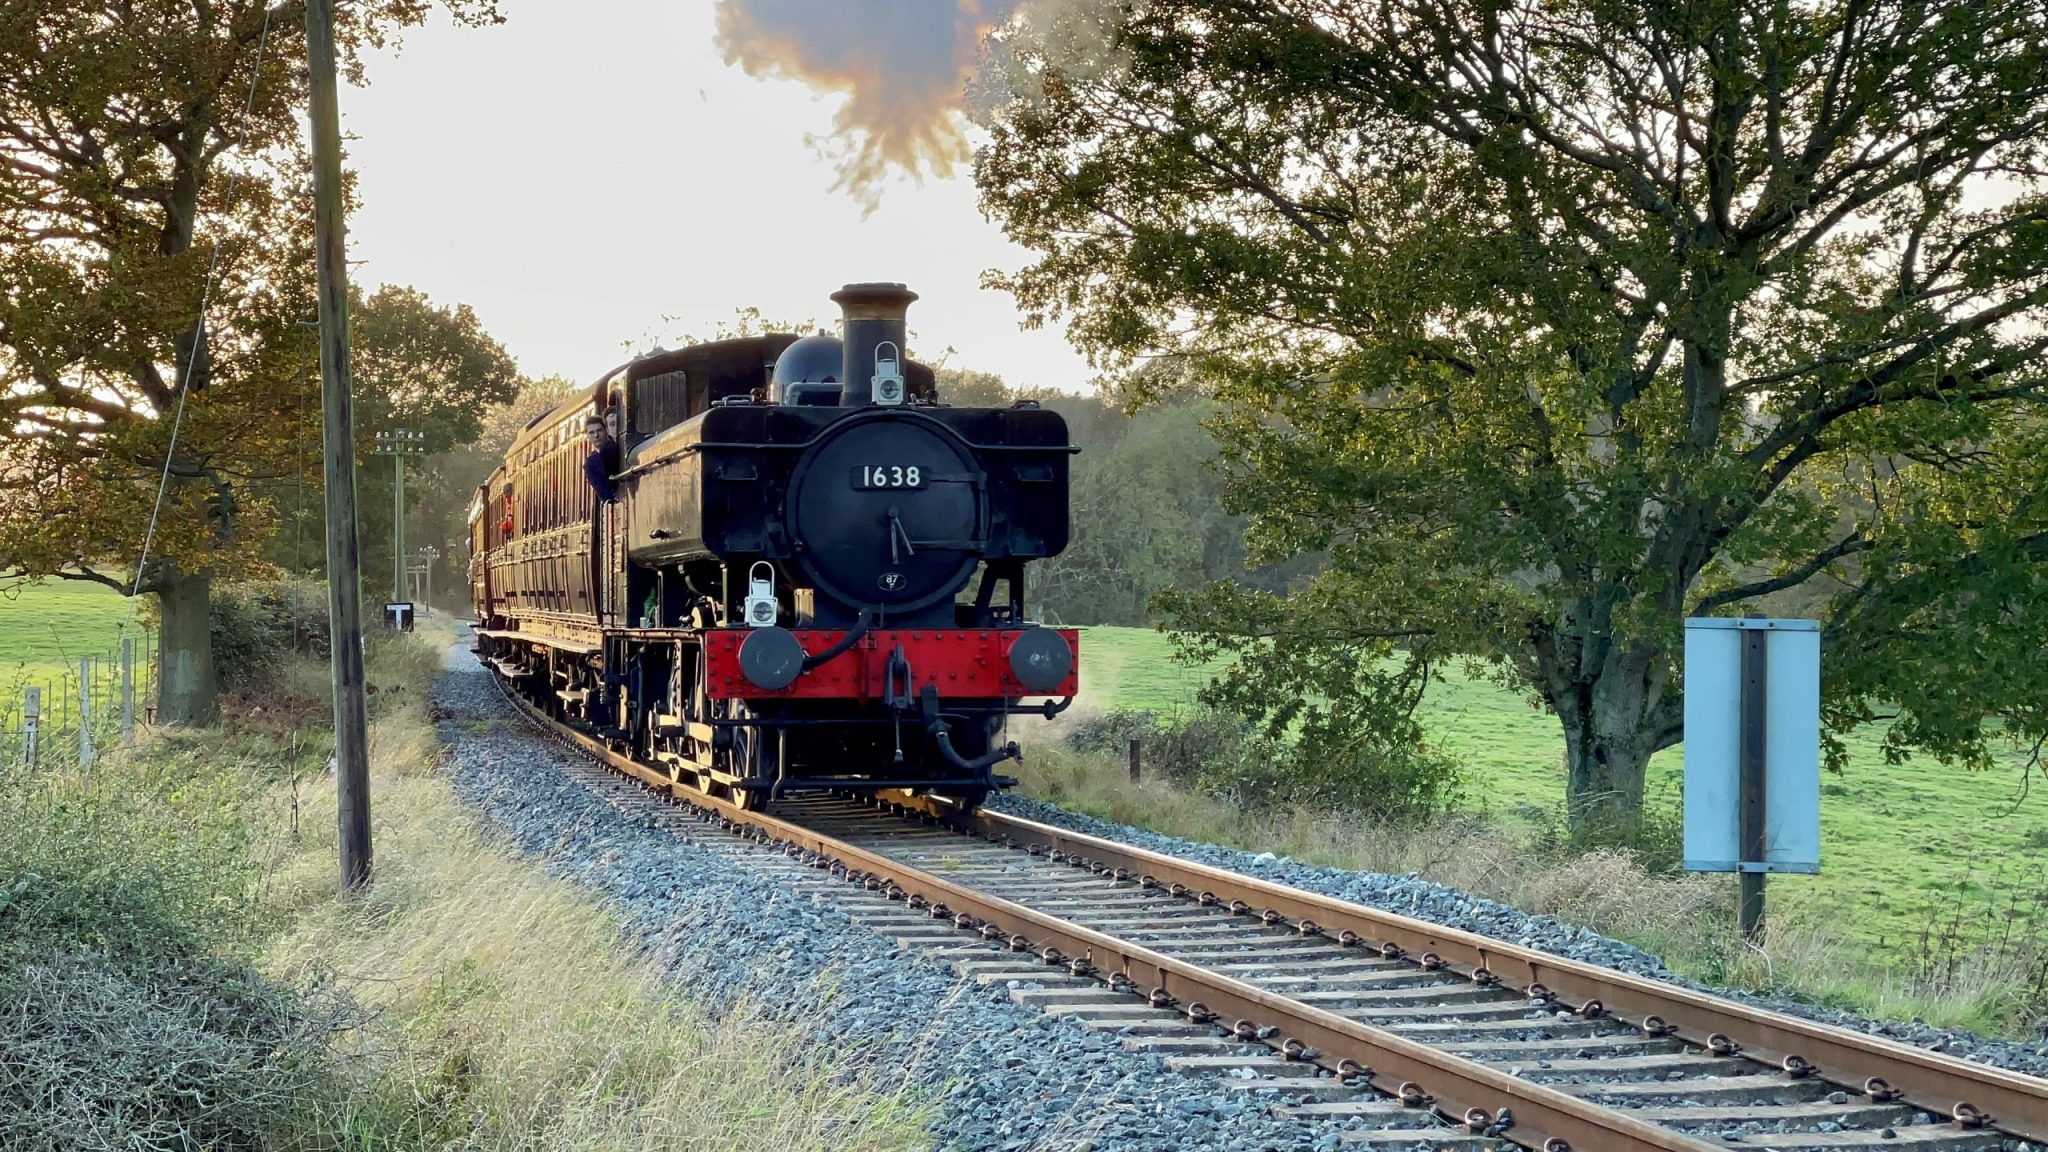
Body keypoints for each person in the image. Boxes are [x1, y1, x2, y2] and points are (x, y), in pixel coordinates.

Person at [584, 411, 620, 503]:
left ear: (606, 430)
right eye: (591, 432)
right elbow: (603, 493)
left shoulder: (618, 448)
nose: (596, 435)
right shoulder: (589, 464)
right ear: (587, 436)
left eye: (599, 430)